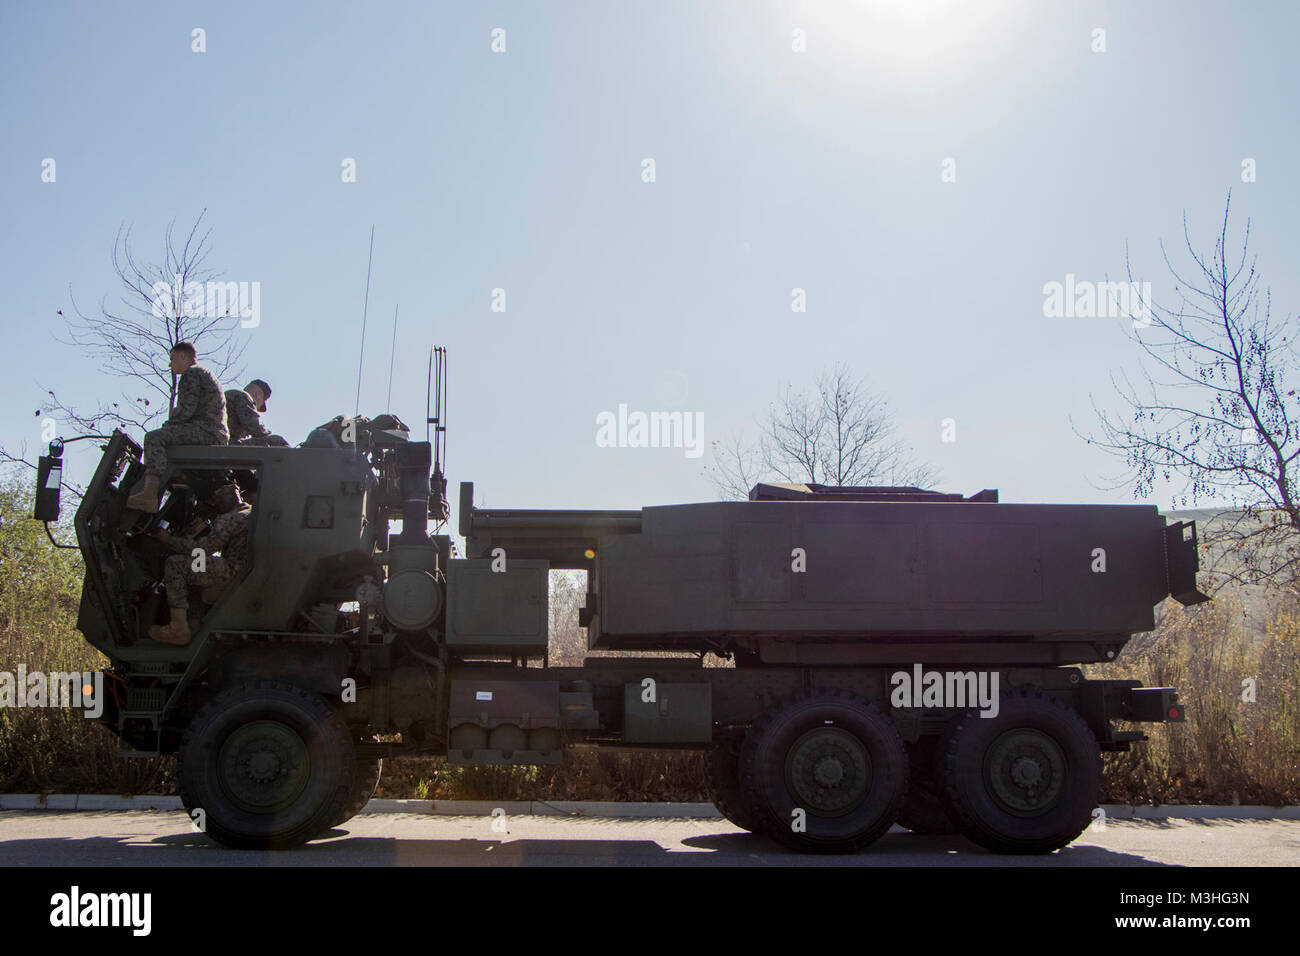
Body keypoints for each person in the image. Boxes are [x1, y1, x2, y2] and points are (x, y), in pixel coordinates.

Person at [127, 342, 228, 512]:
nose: (170, 364)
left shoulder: (191, 374)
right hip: (211, 432)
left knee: (154, 437)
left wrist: (168, 425)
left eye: (172, 358)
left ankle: (149, 494)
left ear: (183, 356)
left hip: (205, 431)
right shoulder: (203, 373)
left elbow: (186, 410)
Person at [148, 484, 252, 645]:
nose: (218, 504)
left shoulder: (230, 518)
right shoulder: (250, 512)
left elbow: (203, 550)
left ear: (230, 498)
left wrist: (168, 539)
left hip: (230, 571)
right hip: (244, 572)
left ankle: (178, 629)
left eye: (220, 500)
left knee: (175, 564)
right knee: (194, 576)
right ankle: (194, 625)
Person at [225, 379, 281, 444]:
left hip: (220, 441)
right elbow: (258, 430)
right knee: (277, 440)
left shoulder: (229, 395)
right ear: (258, 395)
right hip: (226, 444)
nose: (256, 409)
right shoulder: (242, 396)